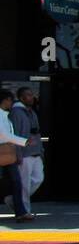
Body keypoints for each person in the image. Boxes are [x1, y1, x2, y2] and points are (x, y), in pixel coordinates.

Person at [0, 89, 36, 222]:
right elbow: (3, 135)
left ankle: (21, 212)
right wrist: (23, 141)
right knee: (16, 182)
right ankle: (21, 212)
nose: (12, 103)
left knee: (17, 182)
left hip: (8, 152)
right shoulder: (1, 115)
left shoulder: (5, 115)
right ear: (6, 100)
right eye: (11, 100)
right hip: (4, 151)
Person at [9, 87, 43, 221]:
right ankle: (24, 211)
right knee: (24, 183)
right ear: (22, 98)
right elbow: (15, 133)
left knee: (38, 178)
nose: (32, 97)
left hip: (35, 151)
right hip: (24, 152)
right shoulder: (17, 112)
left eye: (32, 94)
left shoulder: (31, 112)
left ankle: (14, 200)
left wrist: (41, 151)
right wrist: (17, 153)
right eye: (28, 95)